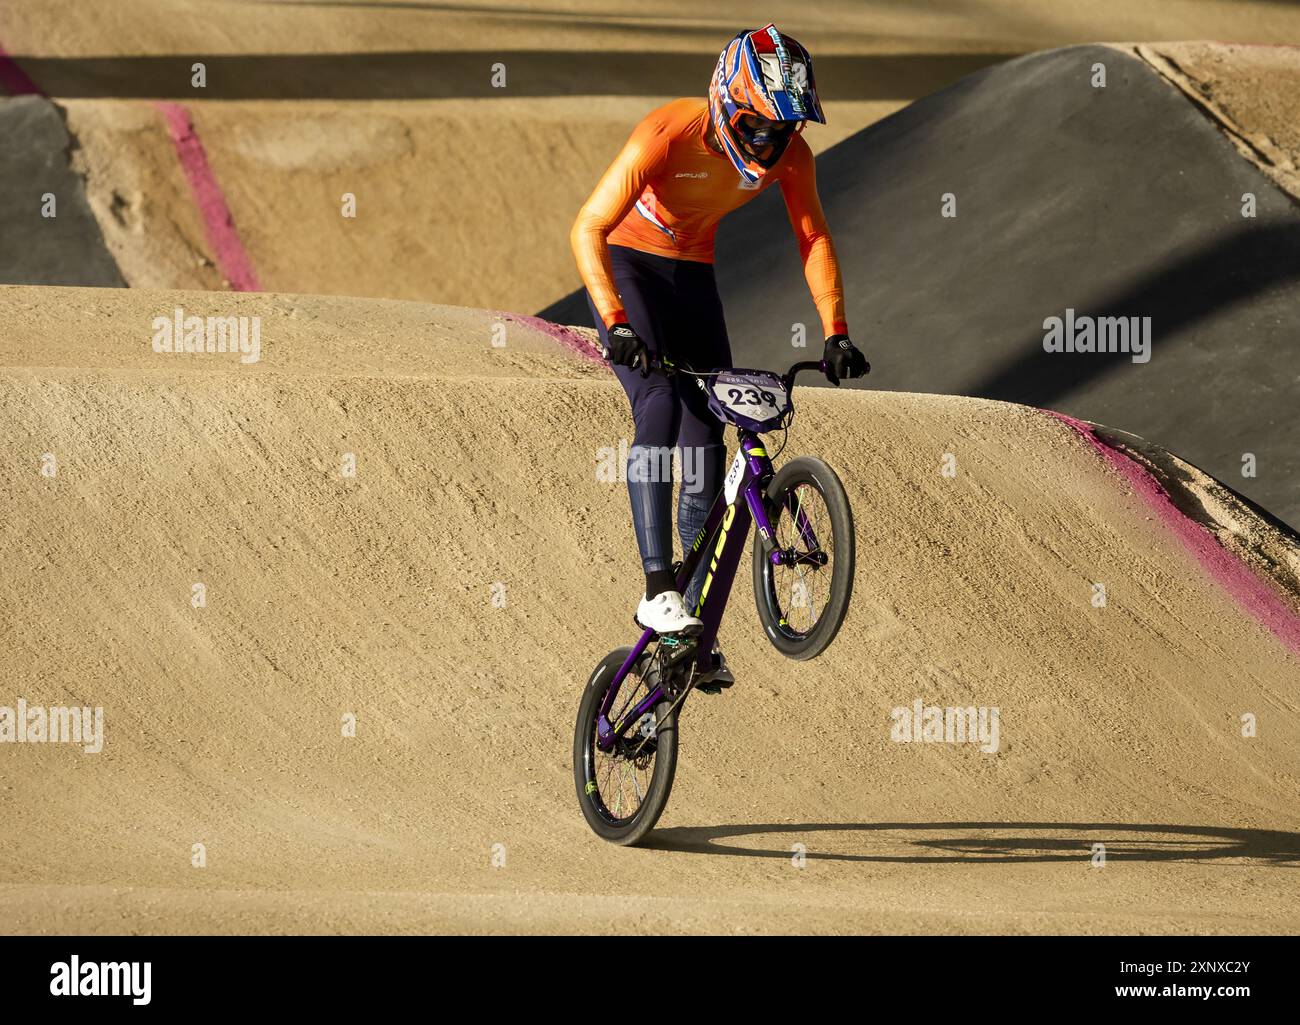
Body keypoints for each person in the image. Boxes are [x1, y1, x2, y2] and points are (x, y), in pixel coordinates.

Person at [570, 24, 869, 688]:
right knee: (659, 401)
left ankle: (687, 617)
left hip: (692, 273)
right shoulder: (665, 134)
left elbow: (812, 236)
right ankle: (655, 586)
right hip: (626, 266)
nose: (773, 144)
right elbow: (587, 226)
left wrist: (836, 332)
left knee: (710, 421)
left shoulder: (793, 156)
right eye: (761, 127)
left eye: (785, 129)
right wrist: (616, 322)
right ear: (728, 106)